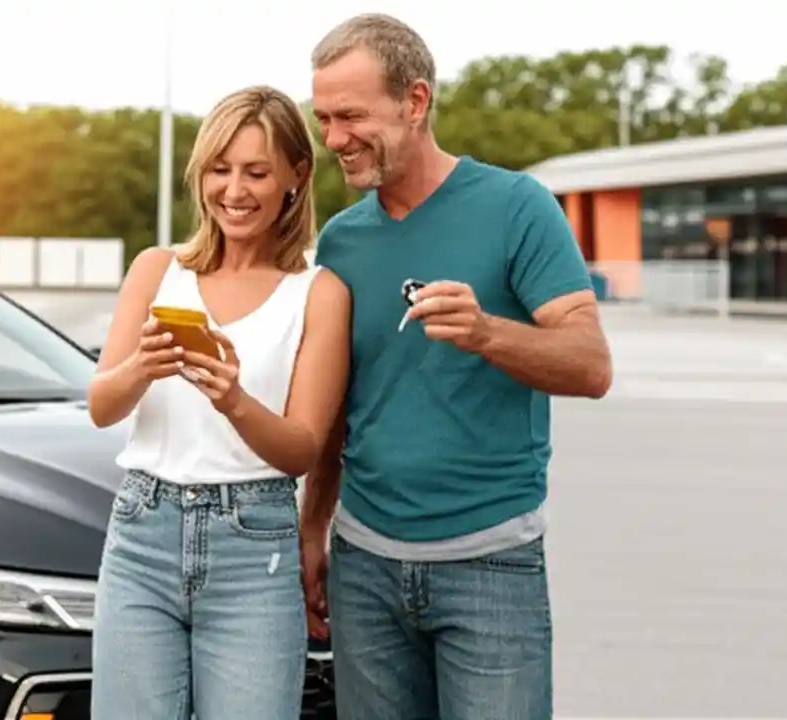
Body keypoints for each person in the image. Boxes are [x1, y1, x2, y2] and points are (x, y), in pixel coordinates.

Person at [299, 13, 613, 720]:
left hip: (491, 570)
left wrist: (485, 332)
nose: (334, 139)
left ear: (416, 101)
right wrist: (311, 529)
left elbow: (591, 364)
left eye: (350, 115)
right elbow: (333, 406)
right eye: (323, 118)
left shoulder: (517, 208)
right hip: (365, 570)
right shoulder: (341, 242)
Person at [86, 85, 351, 720]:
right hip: (142, 533)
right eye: (219, 169)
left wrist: (235, 401)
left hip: (253, 545)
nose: (235, 190)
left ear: (297, 175)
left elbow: (303, 449)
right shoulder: (156, 270)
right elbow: (101, 405)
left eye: (257, 172)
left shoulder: (318, 293)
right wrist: (141, 369)